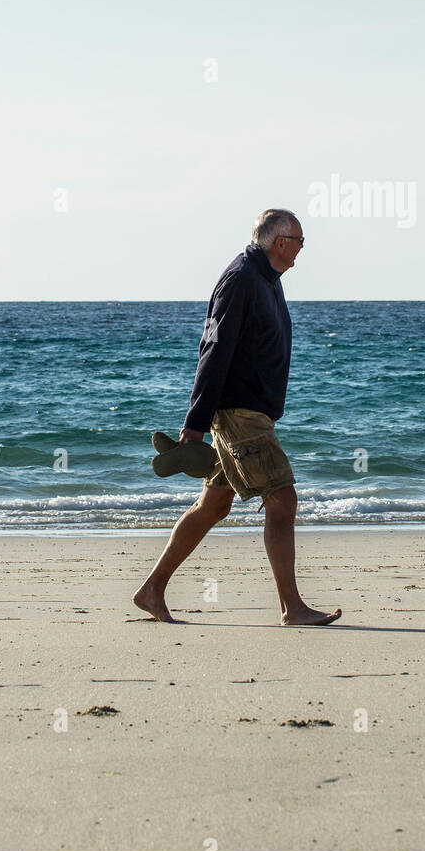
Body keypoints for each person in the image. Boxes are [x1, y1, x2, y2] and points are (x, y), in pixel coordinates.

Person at [133, 209, 341, 627]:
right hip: (240, 415)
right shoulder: (242, 279)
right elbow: (214, 348)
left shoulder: (267, 279)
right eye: (300, 239)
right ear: (279, 242)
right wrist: (195, 422)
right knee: (282, 499)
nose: (303, 247)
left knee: (214, 504)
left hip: (253, 412)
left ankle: (151, 589)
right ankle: (292, 608)